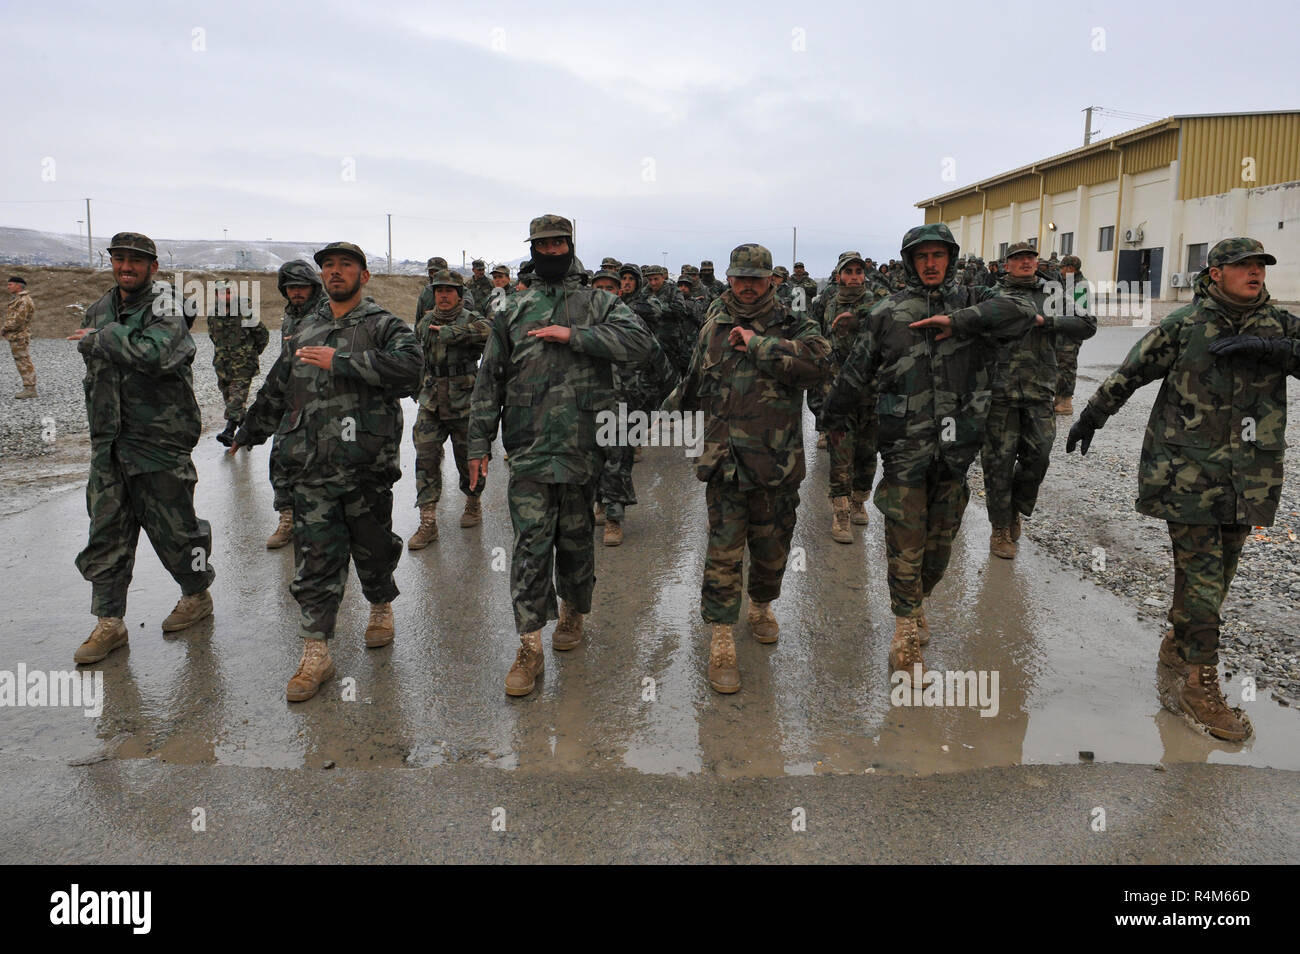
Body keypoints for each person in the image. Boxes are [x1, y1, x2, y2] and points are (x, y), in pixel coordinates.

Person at [1067, 237, 1296, 742]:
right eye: (1243, 266)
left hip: (1249, 475)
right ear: (1215, 273)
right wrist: (1091, 417)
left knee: (1222, 571)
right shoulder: (1185, 325)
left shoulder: (1279, 325)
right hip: (1187, 473)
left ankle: (1178, 642)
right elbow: (1129, 373)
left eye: (1259, 264)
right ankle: (1198, 683)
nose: (1254, 272)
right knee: (1202, 578)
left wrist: (1280, 349)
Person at [823, 224, 1038, 683]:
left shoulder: (975, 306)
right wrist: (831, 419)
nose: (931, 264)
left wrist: (959, 322)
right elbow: (854, 374)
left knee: (941, 546)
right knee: (905, 540)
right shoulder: (887, 313)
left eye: (939, 255)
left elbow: (1024, 311)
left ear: (952, 258)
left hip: (957, 450)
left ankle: (918, 600)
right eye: (921, 257)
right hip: (904, 451)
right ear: (909, 262)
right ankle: (903, 628)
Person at [466, 215, 653, 697]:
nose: (550, 251)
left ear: (571, 245)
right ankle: (529, 646)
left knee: (574, 542)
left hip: (581, 447)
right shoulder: (513, 309)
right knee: (530, 546)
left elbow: (641, 344)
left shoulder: (599, 302)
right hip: (528, 450)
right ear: (532, 248)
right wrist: (477, 444)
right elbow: (489, 381)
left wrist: (575, 336)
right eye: (541, 244)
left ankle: (573, 611)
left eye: (558, 243)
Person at [232, 242, 421, 702]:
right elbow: (278, 388)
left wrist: (343, 362)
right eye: (329, 266)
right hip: (310, 467)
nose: (336, 273)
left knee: (373, 547)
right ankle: (316, 651)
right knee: (315, 559)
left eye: (346, 265)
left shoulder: (384, 326)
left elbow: (411, 372)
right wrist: (248, 430)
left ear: (364, 275)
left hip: (366, 466)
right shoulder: (306, 330)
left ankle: (380, 606)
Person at [663, 243, 831, 694]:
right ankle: (721, 637)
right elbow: (697, 378)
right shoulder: (713, 323)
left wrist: (759, 345)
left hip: (776, 462)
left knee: (772, 548)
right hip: (724, 461)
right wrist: (660, 416)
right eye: (740, 278)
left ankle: (760, 605)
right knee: (723, 552)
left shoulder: (795, 321)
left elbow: (819, 364)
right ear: (730, 279)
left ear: (771, 281)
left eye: (756, 279)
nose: (748, 286)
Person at [68, 232, 215, 664]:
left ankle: (196, 594)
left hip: (158, 441)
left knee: (177, 529)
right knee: (106, 530)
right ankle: (109, 621)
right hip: (109, 442)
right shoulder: (100, 308)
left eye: (135, 261)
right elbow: (99, 370)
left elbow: (156, 356)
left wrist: (105, 338)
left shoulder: (166, 307)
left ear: (152, 267)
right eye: (119, 259)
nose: (126, 267)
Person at [980, 241, 1096, 558]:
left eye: (1030, 258)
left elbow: (1088, 324)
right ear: (1007, 265)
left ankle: (1016, 507)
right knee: (998, 463)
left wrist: (1049, 322)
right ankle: (1000, 528)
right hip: (999, 392)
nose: (1026, 263)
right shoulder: (992, 296)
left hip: (1040, 390)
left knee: (1040, 455)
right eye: (1018, 259)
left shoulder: (1052, 296)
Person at [408, 269, 491, 548]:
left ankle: (472, 501)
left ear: (459, 295)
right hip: (431, 400)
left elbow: (490, 331)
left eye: (449, 291)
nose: (443, 295)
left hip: (464, 400)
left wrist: (451, 333)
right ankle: (428, 520)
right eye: (439, 291)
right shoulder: (424, 322)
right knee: (426, 456)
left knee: (468, 457)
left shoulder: (471, 319)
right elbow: (415, 355)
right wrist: (414, 387)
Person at [822, 251, 888, 540]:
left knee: (867, 453)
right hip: (840, 391)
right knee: (840, 455)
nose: (854, 277)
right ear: (838, 275)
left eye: (858, 272)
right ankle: (841, 513)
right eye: (848, 272)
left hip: (872, 391)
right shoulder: (826, 302)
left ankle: (860, 500)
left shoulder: (877, 301)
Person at [266, 259, 326, 549]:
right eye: (291, 287)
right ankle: (287, 518)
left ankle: (326, 524)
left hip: (325, 401)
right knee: (280, 457)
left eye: (302, 287)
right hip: (293, 400)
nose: (296, 292)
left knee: (324, 463)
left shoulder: (328, 313)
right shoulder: (290, 316)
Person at [209, 280, 270, 446]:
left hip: (243, 365)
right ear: (216, 295)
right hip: (223, 366)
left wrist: (251, 353)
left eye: (229, 292)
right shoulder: (213, 314)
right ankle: (247, 432)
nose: (226, 296)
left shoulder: (245, 312)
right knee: (230, 399)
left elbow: (262, 334)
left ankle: (229, 431)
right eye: (222, 293)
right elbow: (213, 337)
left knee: (236, 399)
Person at [1053, 254, 1089, 415]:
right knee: (1059, 364)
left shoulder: (1080, 285)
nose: (1060, 271)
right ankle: (1059, 398)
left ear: (1070, 268)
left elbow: (1078, 310)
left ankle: (1066, 402)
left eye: (1062, 267)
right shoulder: (1068, 282)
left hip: (1072, 331)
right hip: (1063, 329)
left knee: (1067, 366)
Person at [4, 275, 37, 398]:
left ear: (18, 286)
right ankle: (29, 387)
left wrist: (4, 329)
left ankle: (30, 389)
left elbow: (18, 320)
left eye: (10, 284)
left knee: (23, 361)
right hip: (17, 335)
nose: (8, 287)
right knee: (22, 361)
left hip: (19, 336)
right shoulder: (19, 299)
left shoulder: (23, 300)